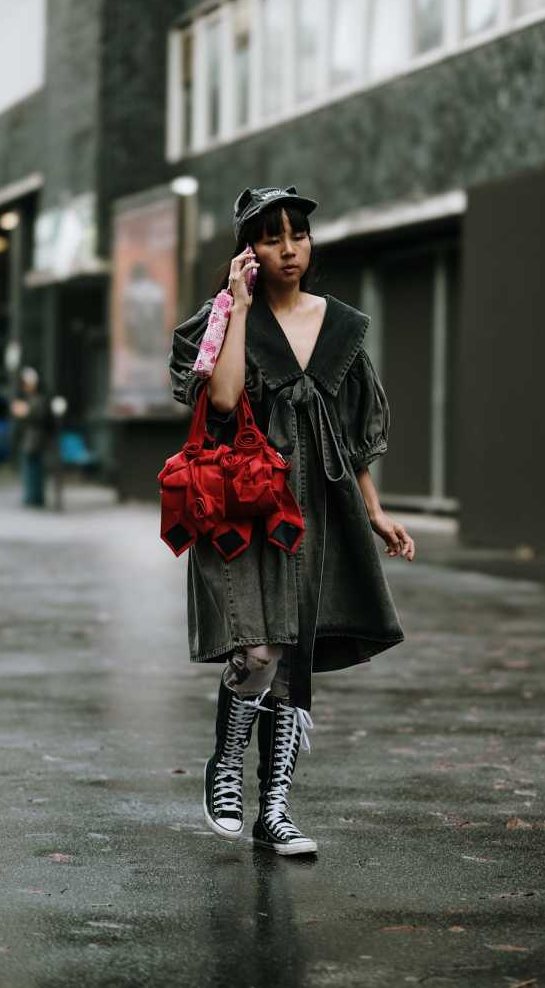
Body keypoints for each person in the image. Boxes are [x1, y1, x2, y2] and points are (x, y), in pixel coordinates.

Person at [168, 185, 415, 856]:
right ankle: (226, 765)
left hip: (318, 505)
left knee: (294, 653)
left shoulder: (340, 326)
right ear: (249, 249)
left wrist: (375, 511)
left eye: (297, 235)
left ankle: (274, 810)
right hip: (245, 505)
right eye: (272, 237)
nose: (289, 249)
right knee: (258, 646)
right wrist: (239, 307)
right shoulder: (222, 318)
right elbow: (221, 401)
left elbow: (352, 431)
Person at [10, 366, 51, 508]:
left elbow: (39, 415)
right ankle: (31, 496)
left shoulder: (39, 398)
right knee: (30, 467)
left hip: (36, 438)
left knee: (35, 468)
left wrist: (25, 411)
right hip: (29, 438)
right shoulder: (28, 398)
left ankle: (35, 497)